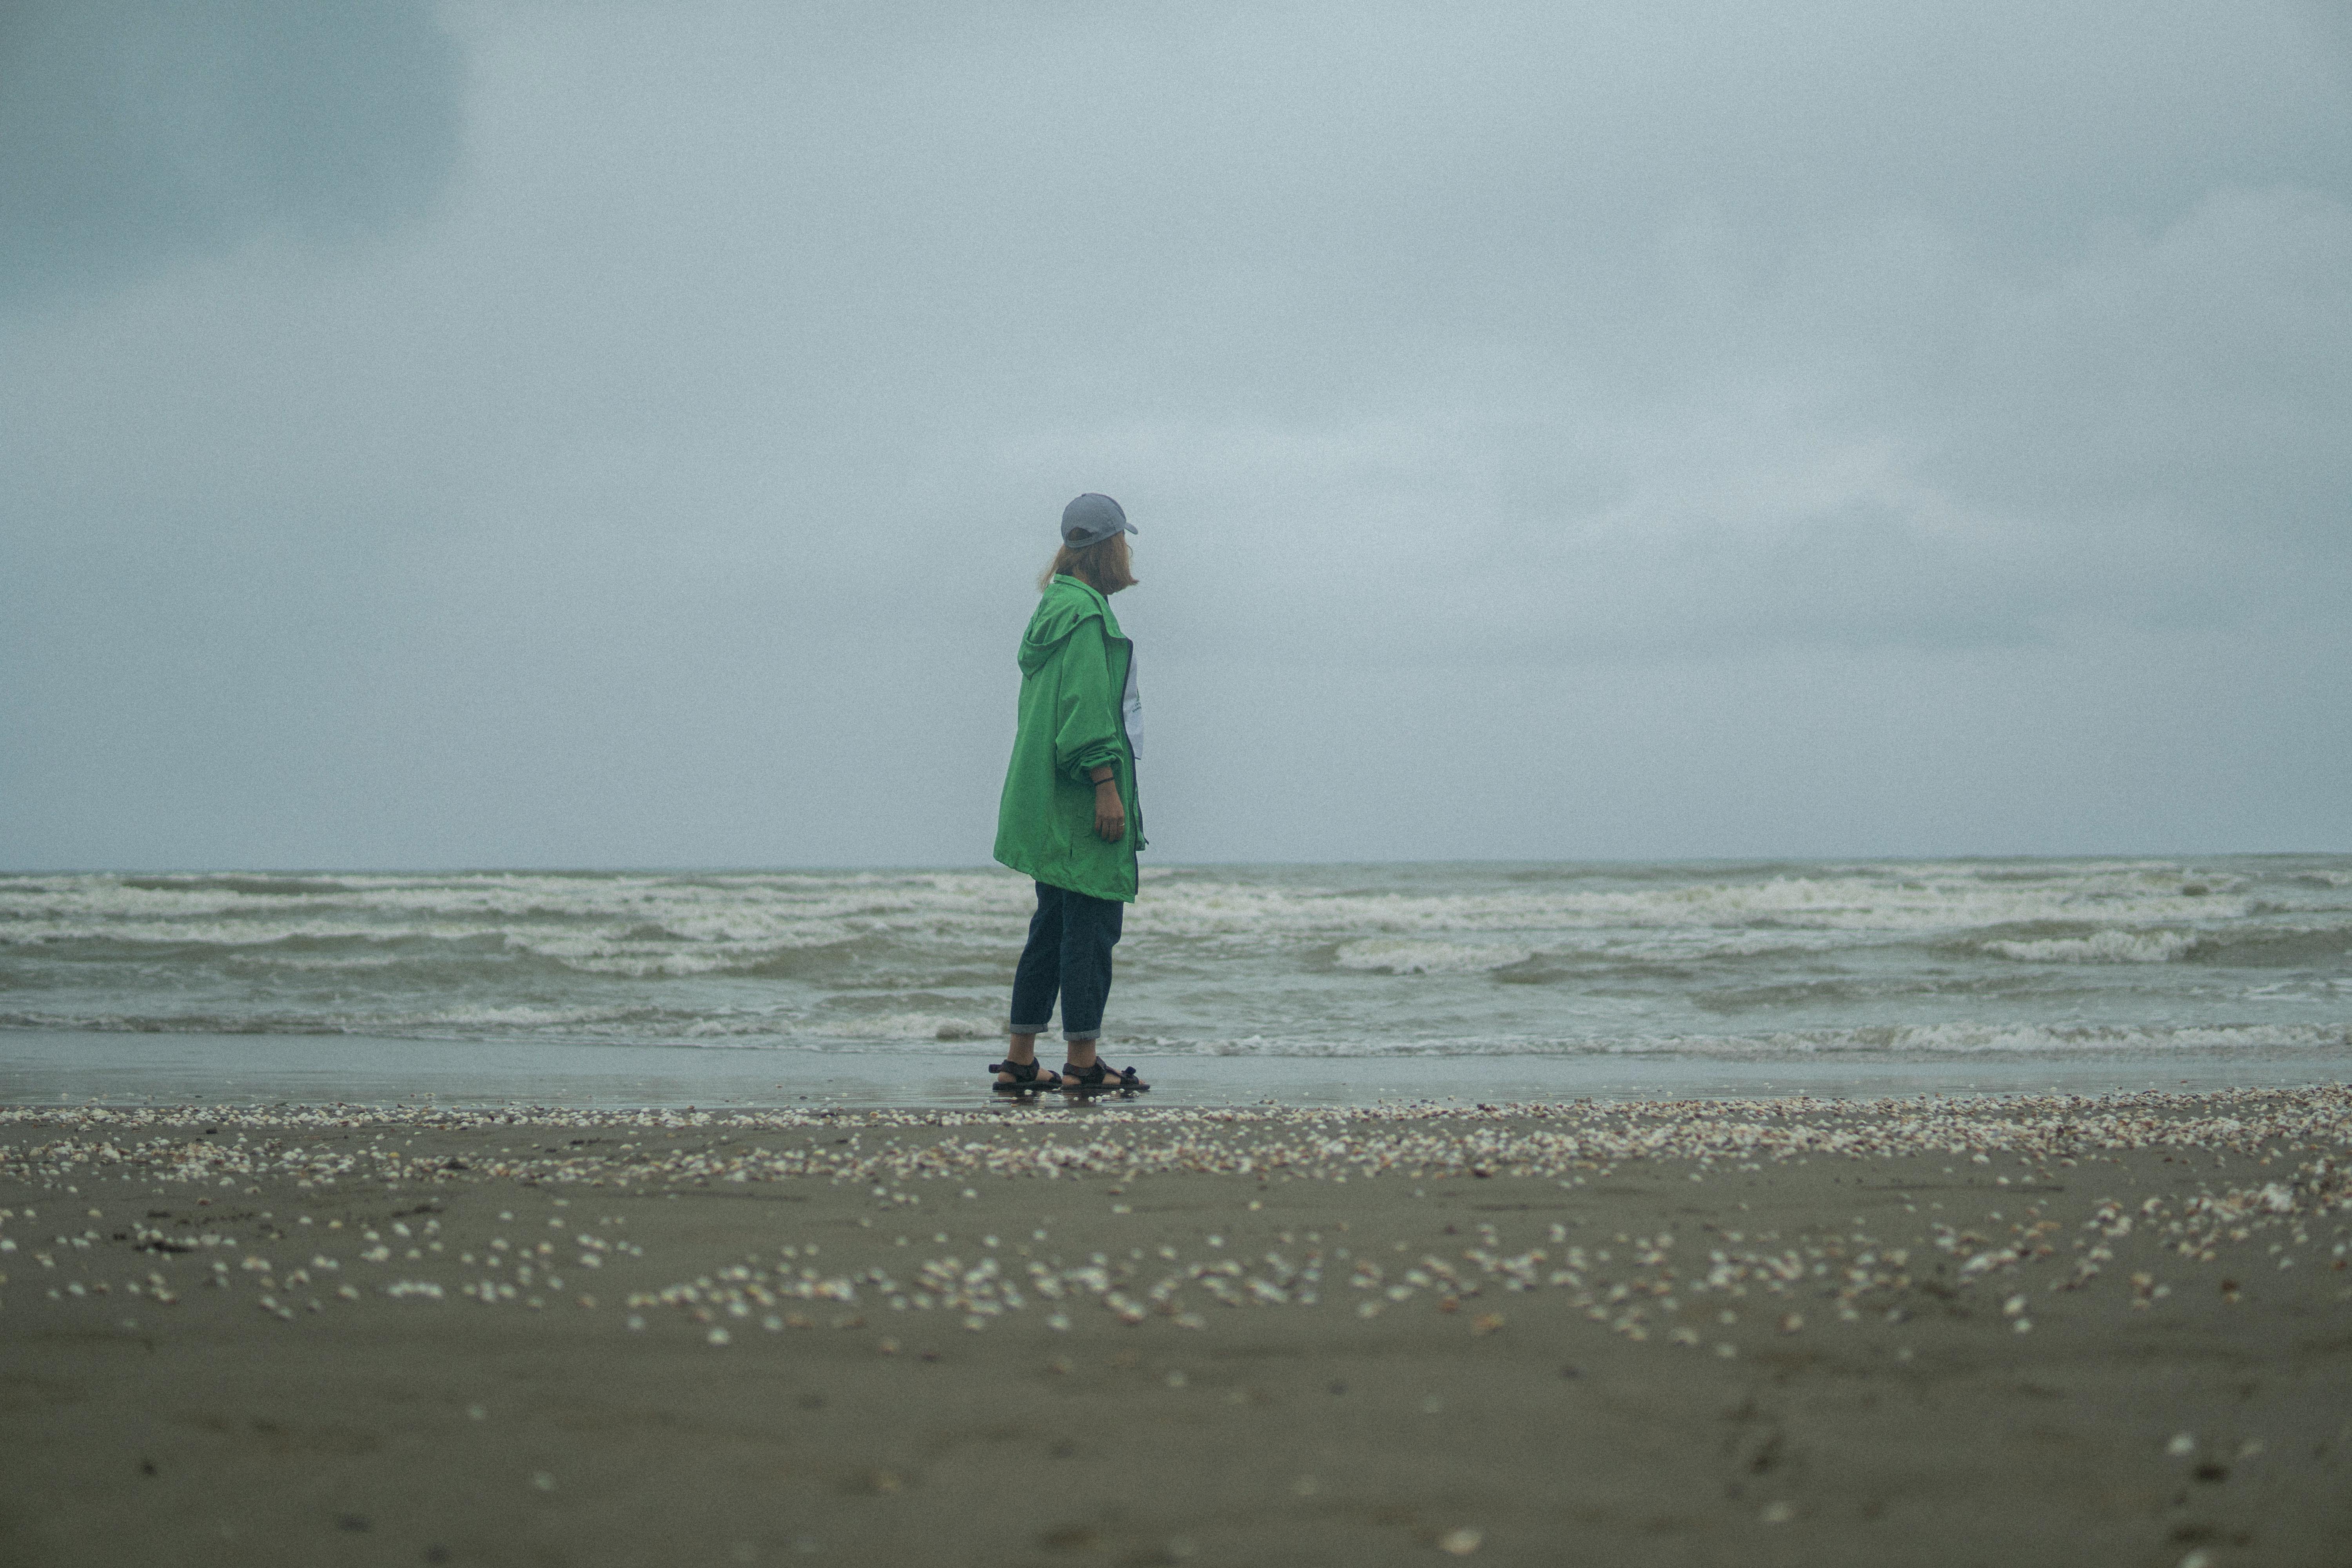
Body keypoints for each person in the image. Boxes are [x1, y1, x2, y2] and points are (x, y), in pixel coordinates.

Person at [989, 494, 1152, 1095]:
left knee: (1052, 926)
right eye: (1123, 543)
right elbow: (1085, 715)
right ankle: (1084, 1061)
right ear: (1105, 549)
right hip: (1081, 799)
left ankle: (1019, 1059)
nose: (1128, 553)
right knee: (1090, 929)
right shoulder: (1086, 617)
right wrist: (1106, 787)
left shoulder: (1052, 610)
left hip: (1045, 802)